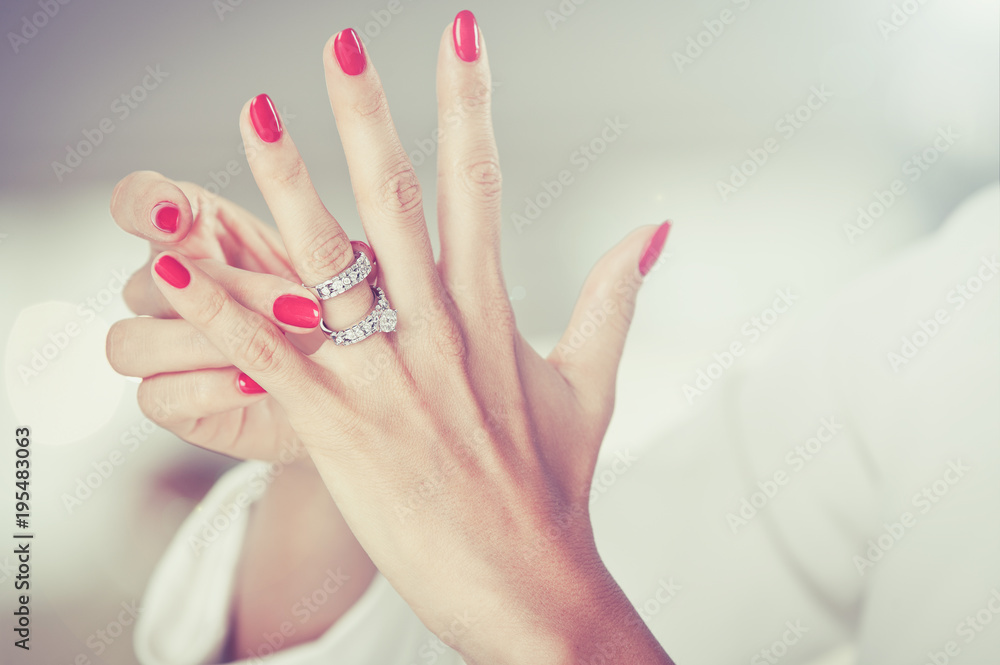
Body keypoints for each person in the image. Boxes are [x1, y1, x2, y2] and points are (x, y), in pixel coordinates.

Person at [105, 10, 1000, 665]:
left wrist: (564, 629)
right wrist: (355, 414)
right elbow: (487, 609)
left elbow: (539, 604)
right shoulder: (959, 307)